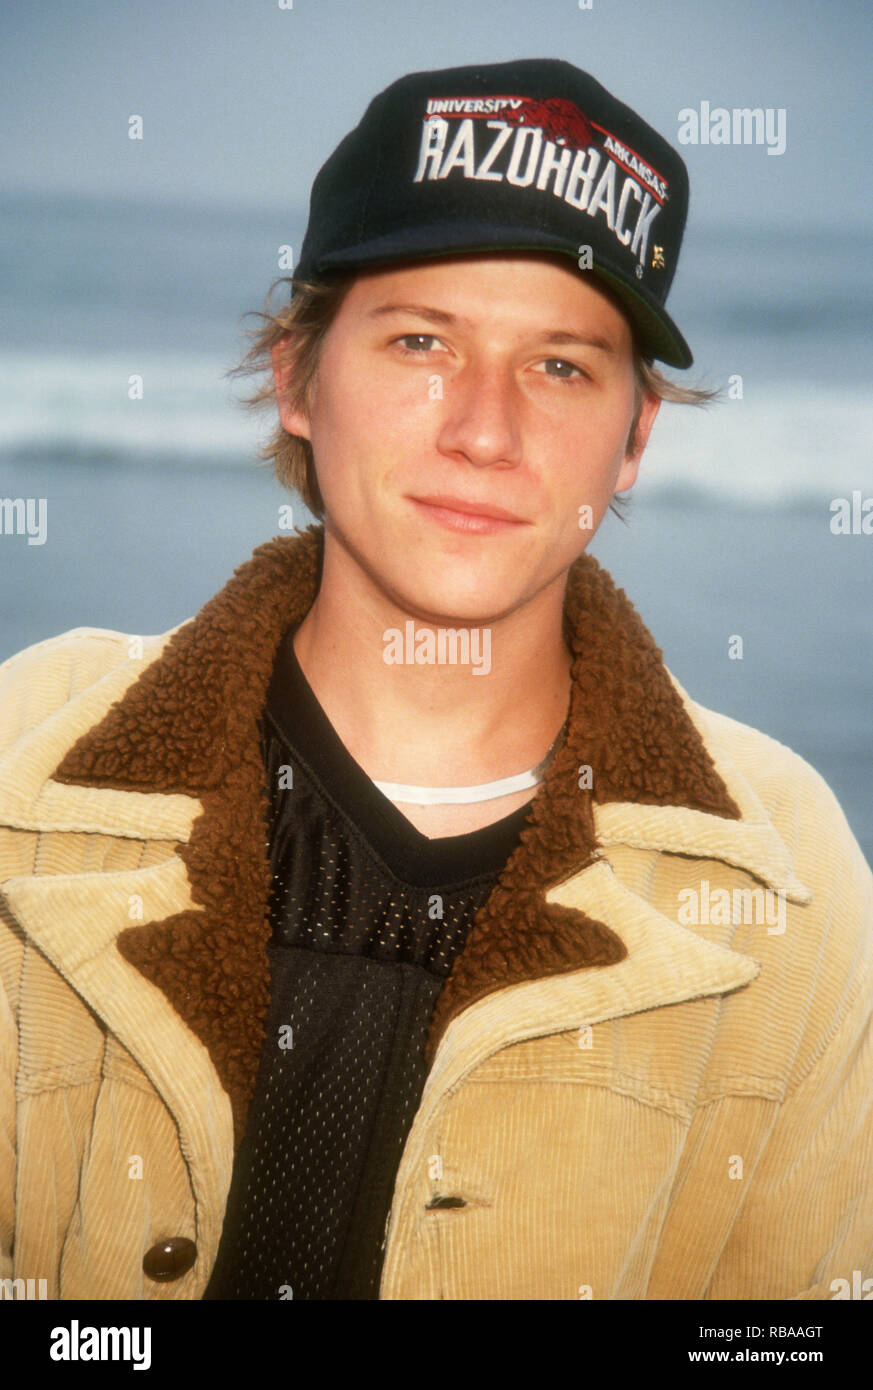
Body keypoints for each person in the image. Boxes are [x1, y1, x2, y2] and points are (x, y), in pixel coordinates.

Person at [1, 58, 871, 1302]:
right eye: (421, 341)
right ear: (299, 375)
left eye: (561, 365)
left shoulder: (783, 878)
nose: (484, 429)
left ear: (635, 438)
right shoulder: (28, 756)